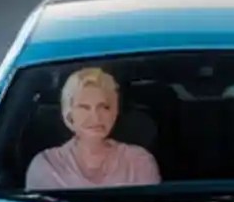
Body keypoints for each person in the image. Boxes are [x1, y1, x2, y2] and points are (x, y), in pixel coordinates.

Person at [25, 67, 161, 190]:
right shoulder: (46, 166)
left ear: (115, 112)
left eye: (104, 107)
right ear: (69, 113)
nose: (96, 117)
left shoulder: (138, 162)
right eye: (84, 107)